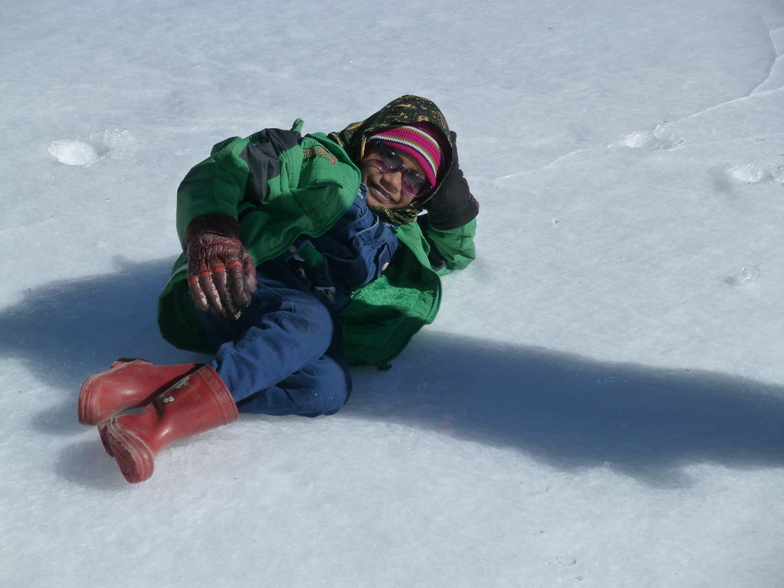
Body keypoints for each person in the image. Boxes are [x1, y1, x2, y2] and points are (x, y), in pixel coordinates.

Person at [77, 95, 479, 483]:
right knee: (312, 320)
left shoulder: (405, 234)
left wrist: (452, 193)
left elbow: (456, 252)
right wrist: (212, 230)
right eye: (388, 156)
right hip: (232, 284)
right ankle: (155, 426)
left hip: (284, 336)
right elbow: (223, 169)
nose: (393, 178)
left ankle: (142, 382)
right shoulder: (316, 159)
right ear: (367, 140)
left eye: (414, 178)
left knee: (326, 388)